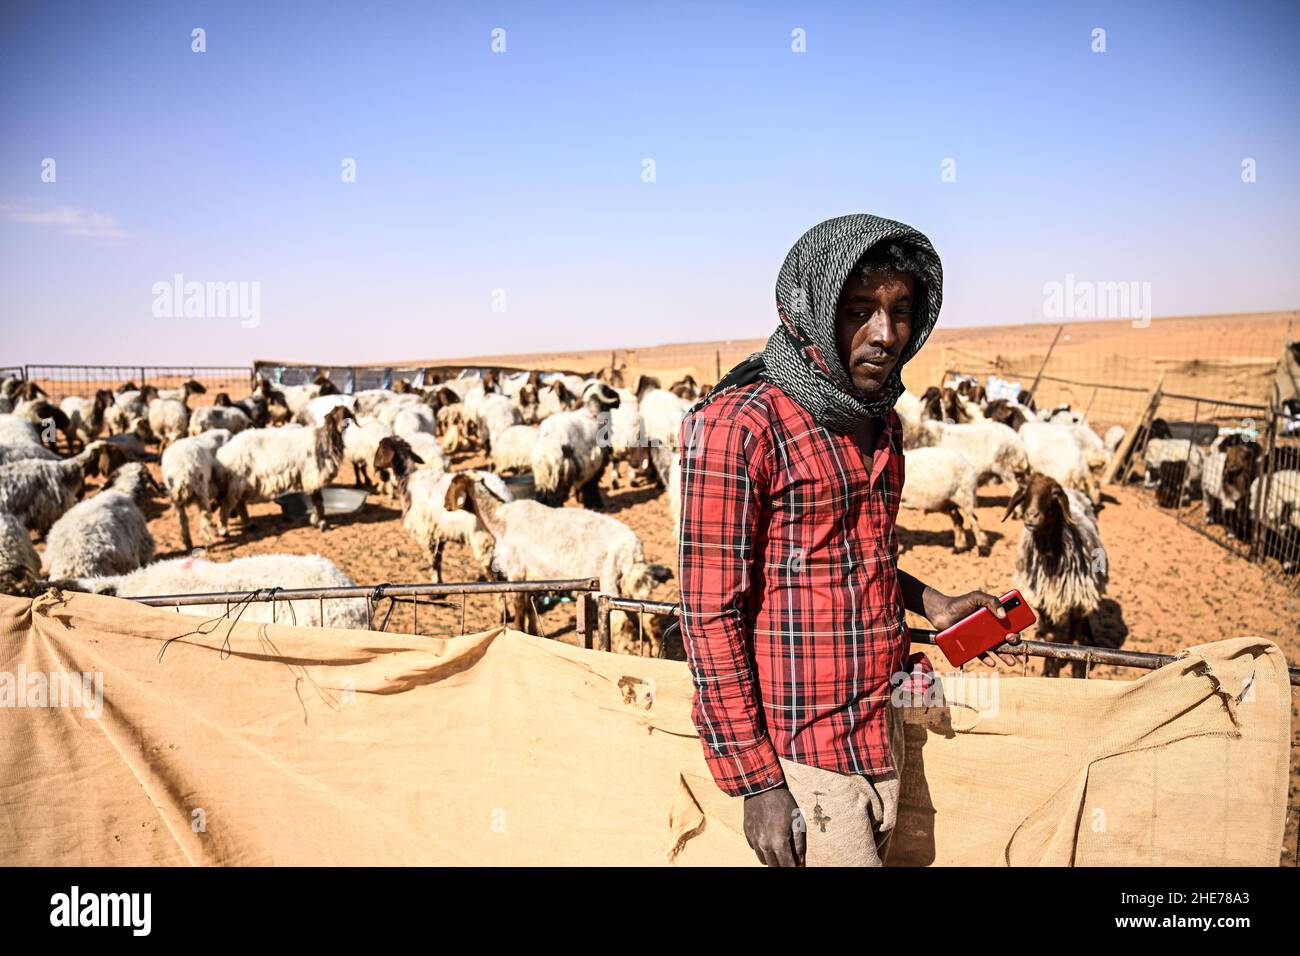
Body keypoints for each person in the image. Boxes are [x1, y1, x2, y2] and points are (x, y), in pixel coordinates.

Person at [677, 214, 1020, 868]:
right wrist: (759, 783)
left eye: (901, 312)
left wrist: (933, 602)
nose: (885, 335)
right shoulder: (739, 427)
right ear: (813, 308)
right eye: (860, 310)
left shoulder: (880, 419)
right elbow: (708, 615)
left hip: (882, 722)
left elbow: (857, 558)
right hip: (803, 751)